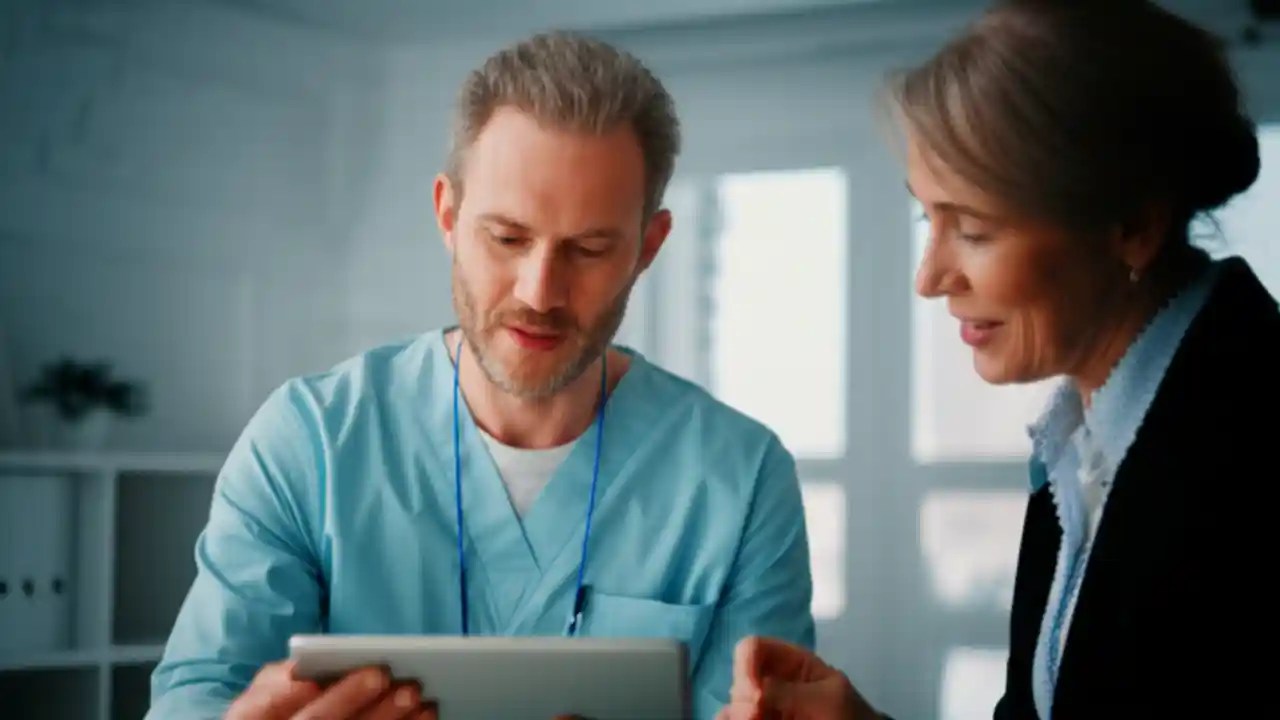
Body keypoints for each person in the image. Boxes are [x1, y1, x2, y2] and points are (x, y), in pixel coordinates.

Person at [147, 31, 815, 720]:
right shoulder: (308, 443)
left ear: (649, 246)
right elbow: (193, 697)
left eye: (588, 249)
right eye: (507, 238)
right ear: (447, 214)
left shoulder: (740, 478)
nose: (540, 291)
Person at [719, 1, 1277, 718]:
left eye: (975, 230)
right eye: (931, 219)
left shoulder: (1252, 449)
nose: (929, 278)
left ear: (1133, 224)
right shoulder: (1085, 447)